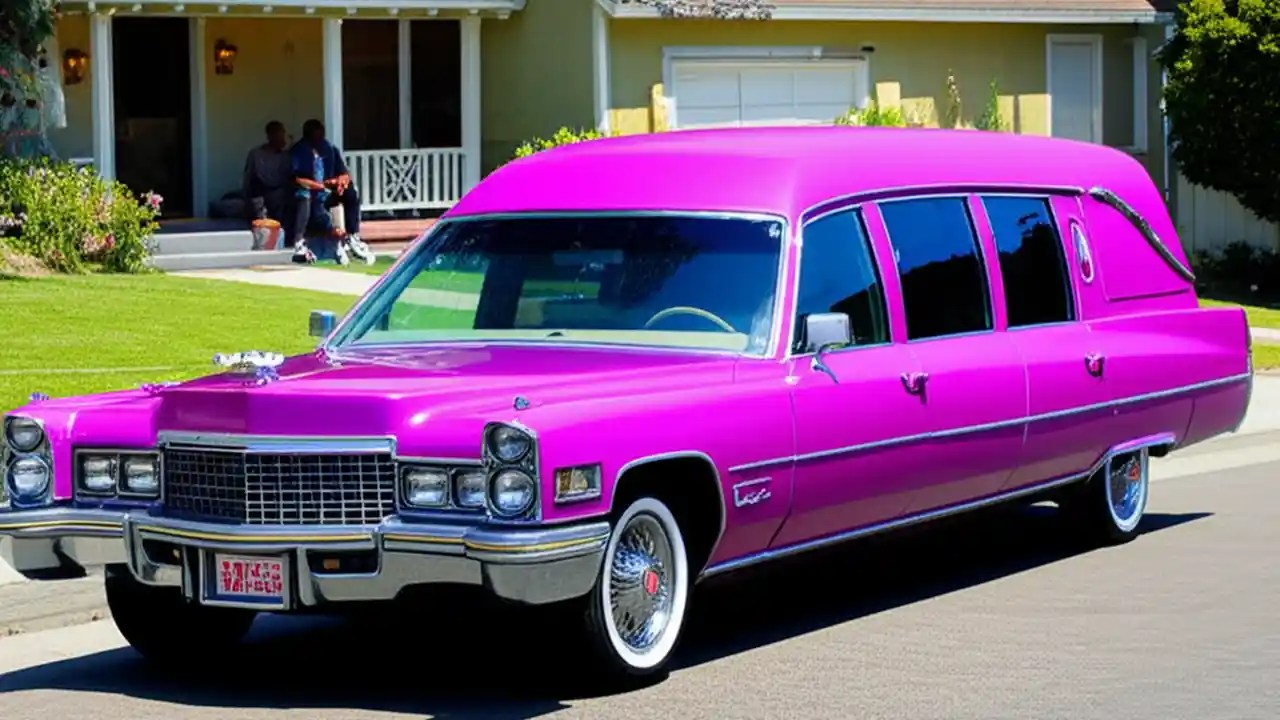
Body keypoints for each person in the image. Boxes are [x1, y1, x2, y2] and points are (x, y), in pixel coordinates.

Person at [288, 118, 375, 265]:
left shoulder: (329, 149)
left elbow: (344, 173)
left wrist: (341, 182)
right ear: (308, 135)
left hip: (328, 192)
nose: (320, 138)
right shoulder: (298, 151)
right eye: (316, 135)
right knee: (305, 196)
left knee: (350, 191)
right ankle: (300, 241)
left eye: (321, 134)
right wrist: (321, 186)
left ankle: (352, 235)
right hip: (309, 193)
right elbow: (297, 179)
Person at [242, 120, 293, 224]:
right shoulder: (256, 154)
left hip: (279, 194)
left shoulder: (285, 156)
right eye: (280, 135)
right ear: (270, 136)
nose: (283, 139)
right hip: (259, 193)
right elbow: (248, 177)